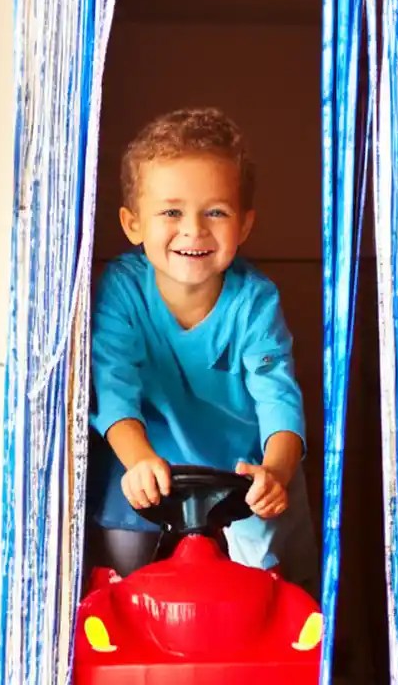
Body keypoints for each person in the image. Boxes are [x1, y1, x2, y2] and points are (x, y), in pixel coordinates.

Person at [87, 107, 318, 596]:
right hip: (149, 461)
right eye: (171, 212)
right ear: (132, 224)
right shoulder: (123, 291)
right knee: (121, 565)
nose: (193, 229)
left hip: (244, 471)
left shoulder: (254, 301)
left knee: (269, 587)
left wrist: (274, 473)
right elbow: (113, 390)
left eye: (216, 211)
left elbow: (279, 400)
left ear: (246, 224)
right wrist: (139, 459)